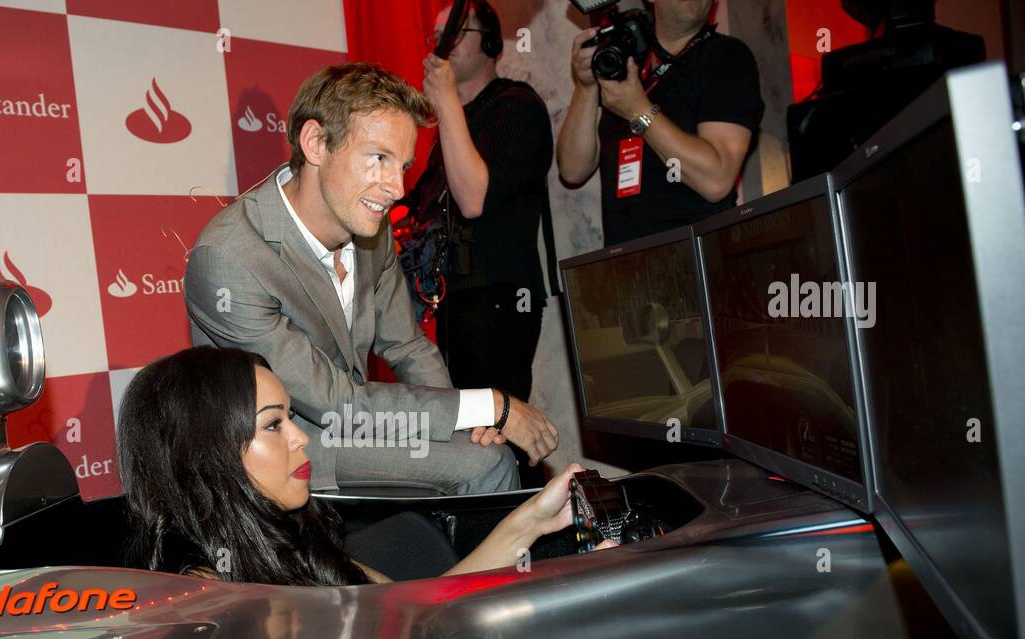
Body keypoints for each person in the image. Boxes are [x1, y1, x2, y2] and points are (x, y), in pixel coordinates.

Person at [184, 63, 560, 498]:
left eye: (403, 165)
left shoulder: (370, 228)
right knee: (487, 464)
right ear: (316, 143)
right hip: (275, 450)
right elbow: (336, 404)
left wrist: (467, 422)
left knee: (473, 448)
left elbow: (406, 346)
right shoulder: (230, 257)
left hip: (352, 425)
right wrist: (489, 405)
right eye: (378, 159)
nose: (397, 188)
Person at [117, 346, 613, 587]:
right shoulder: (207, 596)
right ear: (209, 457)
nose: (301, 437)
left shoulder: (294, 540)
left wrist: (528, 523)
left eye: (292, 418)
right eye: (274, 426)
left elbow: (424, 608)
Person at [408, 0, 560, 417]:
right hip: (457, 297)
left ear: (491, 42)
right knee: (468, 431)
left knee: (496, 429)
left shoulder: (516, 105)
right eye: (437, 37)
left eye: (457, 33)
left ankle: (527, 485)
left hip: (499, 298)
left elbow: (473, 198)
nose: (443, 45)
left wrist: (445, 101)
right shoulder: (457, 122)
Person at [555, 0, 764, 245]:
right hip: (626, 267)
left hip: (700, 262)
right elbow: (572, 170)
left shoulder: (725, 56)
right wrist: (586, 85)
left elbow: (717, 179)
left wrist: (638, 110)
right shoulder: (627, 65)